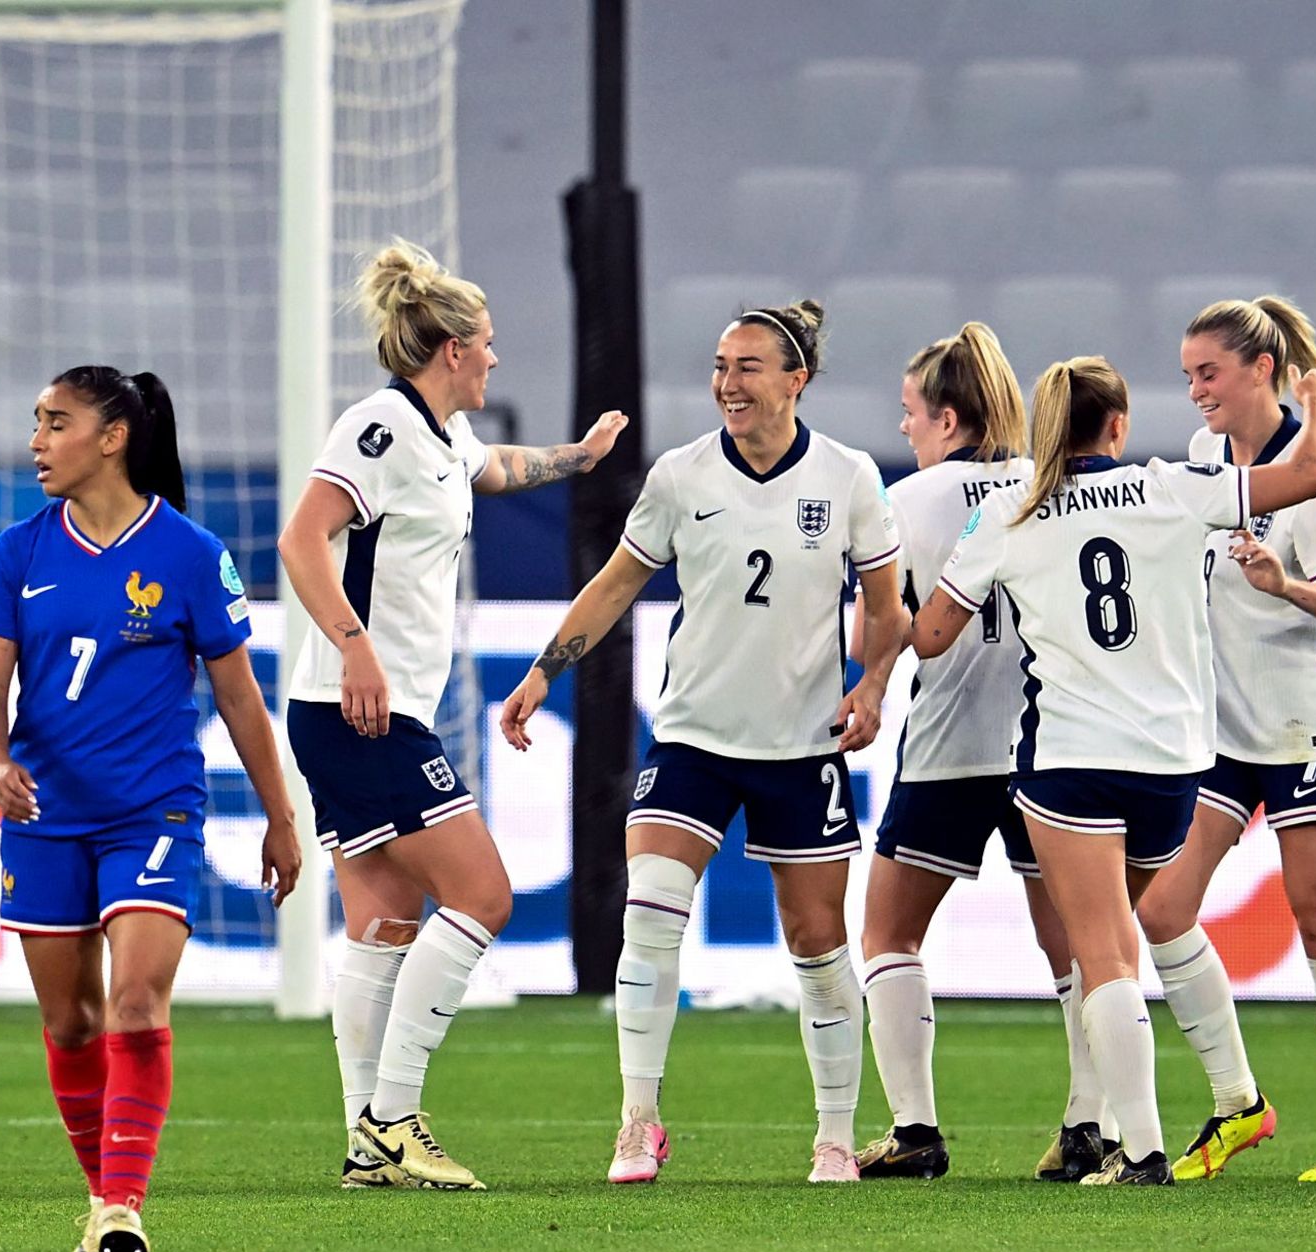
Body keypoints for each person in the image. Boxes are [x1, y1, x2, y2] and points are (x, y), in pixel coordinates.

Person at [499, 300, 905, 1185]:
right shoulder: (681, 475)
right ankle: (637, 1122)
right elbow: (615, 584)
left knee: (817, 944)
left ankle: (835, 1137)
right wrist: (542, 671)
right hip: (692, 739)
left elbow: (886, 605)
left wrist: (872, 685)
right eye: (721, 366)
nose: (728, 383)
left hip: (801, 747)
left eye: (748, 367)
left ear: (796, 380)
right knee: (648, 912)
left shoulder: (847, 477)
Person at [912, 354, 1316, 1185]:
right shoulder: (1173, 487)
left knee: (1103, 955)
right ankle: (1180, 1108)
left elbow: (931, 636)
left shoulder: (1011, 510)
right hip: (1173, 764)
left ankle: (1140, 1151)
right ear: (1119, 424)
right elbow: (1310, 473)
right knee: (1131, 936)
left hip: (1070, 759)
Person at [278, 240, 626, 1192]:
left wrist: (579, 457)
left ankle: (367, 1143)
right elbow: (302, 538)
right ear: (454, 350)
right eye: (489, 343)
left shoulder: (440, 436)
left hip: (367, 709)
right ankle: (393, 1118)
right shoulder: (378, 426)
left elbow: (495, 468)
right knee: (484, 896)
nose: (496, 358)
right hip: (361, 708)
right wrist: (355, 644)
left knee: (386, 921)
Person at [0, 365, 302, 1252]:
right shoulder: (19, 552)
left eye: (56, 423)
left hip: (153, 813)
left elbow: (240, 698)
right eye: (37, 422)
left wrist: (280, 816)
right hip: (45, 815)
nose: (37, 441)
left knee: (136, 999)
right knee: (72, 1023)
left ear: (112, 438)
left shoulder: (190, 553)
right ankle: (100, 1197)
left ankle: (123, 1205)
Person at [846, 323, 1114, 1183]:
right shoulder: (1049, 487)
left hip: (949, 746)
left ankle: (915, 1131)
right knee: (1076, 945)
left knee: (888, 933)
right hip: (1051, 742)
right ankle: (1091, 1123)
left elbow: (878, 627)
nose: (904, 428)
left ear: (949, 418)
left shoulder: (907, 500)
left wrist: (870, 684)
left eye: (910, 412)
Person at [1136, 297, 1316, 1184]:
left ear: (1261, 370)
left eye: (1208, 373)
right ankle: (1239, 1103)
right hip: (1222, 734)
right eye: (1187, 377)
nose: (1196, 392)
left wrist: (1287, 586)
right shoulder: (1206, 459)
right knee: (1161, 912)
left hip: (1307, 728)